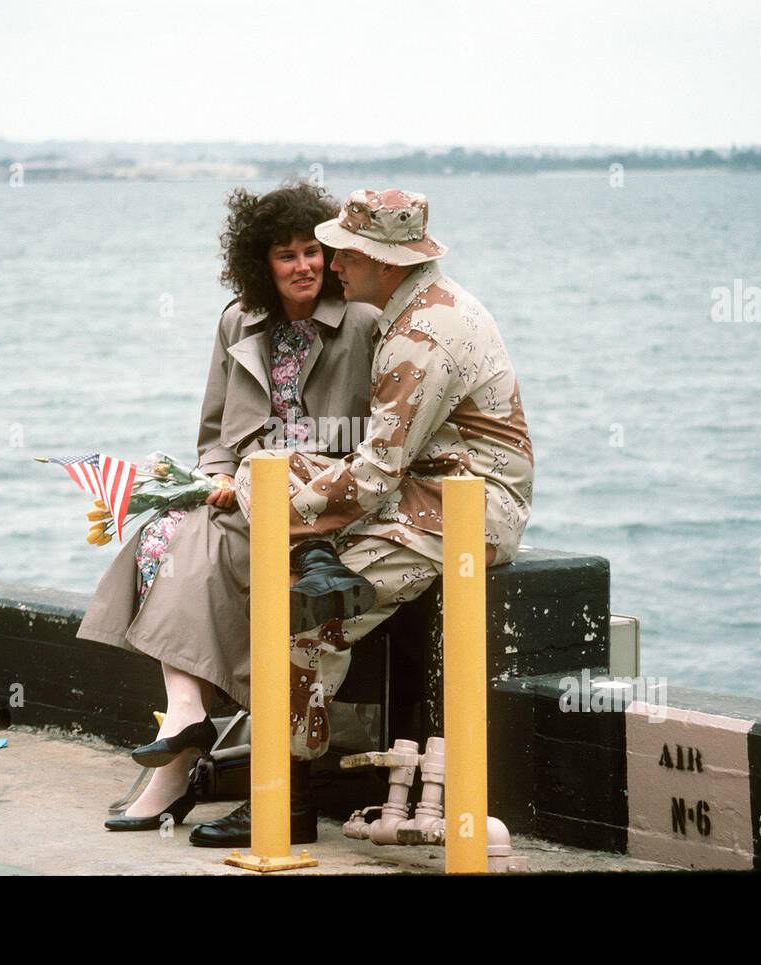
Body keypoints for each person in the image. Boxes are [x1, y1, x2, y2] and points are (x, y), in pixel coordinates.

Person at [187, 187, 534, 847]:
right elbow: (382, 467)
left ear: (385, 262)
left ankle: (283, 799)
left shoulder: (421, 335)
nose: (332, 264)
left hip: (466, 508)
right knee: (270, 467)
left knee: (304, 622)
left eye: (346, 253)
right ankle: (318, 556)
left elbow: (375, 475)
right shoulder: (415, 306)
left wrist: (288, 517)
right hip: (425, 485)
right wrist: (282, 499)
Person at [75, 181, 380, 833]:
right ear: (259, 264)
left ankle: (178, 758)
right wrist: (214, 477)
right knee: (167, 528)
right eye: (285, 254)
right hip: (241, 498)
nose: (303, 266)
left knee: (195, 548)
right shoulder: (236, 321)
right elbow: (214, 433)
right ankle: (185, 716)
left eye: (312, 252)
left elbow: (382, 439)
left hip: (321, 515)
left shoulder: (360, 321)